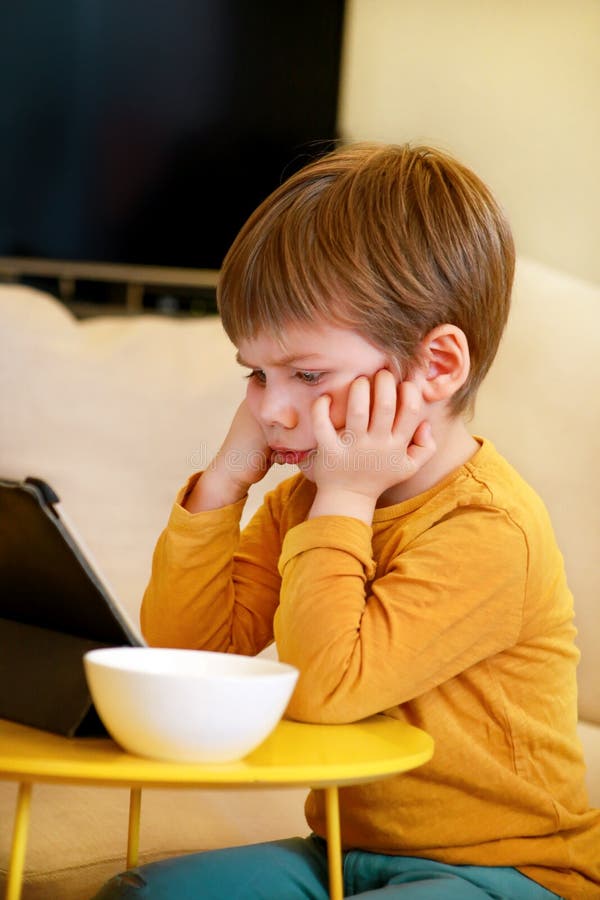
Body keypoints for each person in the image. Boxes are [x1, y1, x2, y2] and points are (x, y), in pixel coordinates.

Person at [92, 143, 600, 899]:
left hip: (511, 871)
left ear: (436, 366)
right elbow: (189, 653)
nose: (271, 408)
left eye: (306, 374)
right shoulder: (311, 496)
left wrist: (347, 497)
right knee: (144, 894)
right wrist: (226, 479)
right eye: (256, 374)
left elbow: (325, 693)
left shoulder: (490, 527)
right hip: (342, 850)